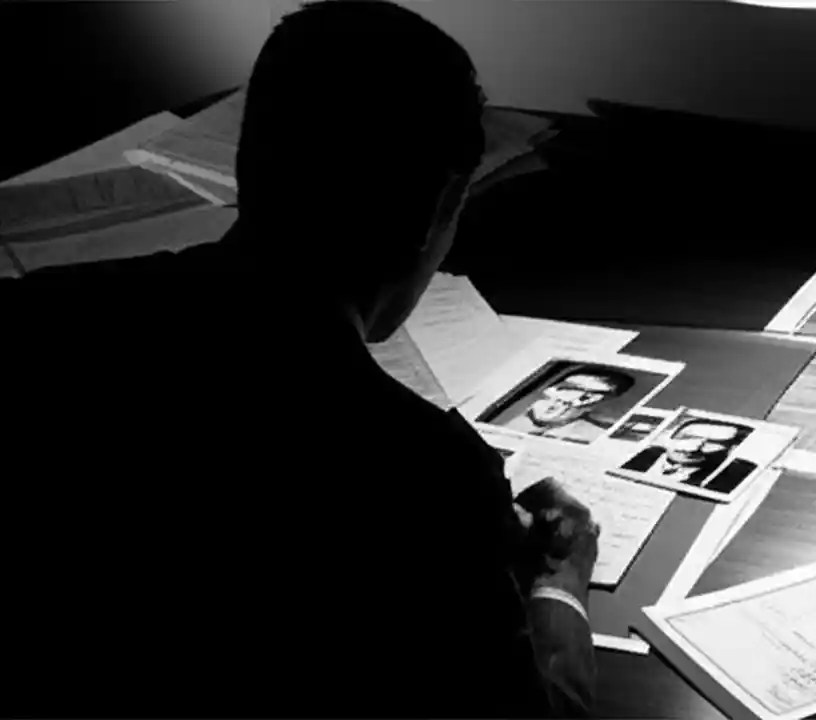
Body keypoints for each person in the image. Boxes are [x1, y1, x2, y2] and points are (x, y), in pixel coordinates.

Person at [4, 1, 598, 716]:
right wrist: (560, 586)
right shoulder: (427, 479)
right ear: (440, 206)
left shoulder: (40, 321)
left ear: (244, 157)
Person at [492, 364, 636, 444]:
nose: (563, 402)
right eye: (566, 388)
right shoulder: (511, 416)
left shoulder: (592, 435)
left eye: (589, 397)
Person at [621, 418, 757, 493]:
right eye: (687, 437)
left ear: (732, 449)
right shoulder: (642, 454)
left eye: (712, 442)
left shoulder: (731, 477)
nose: (694, 447)